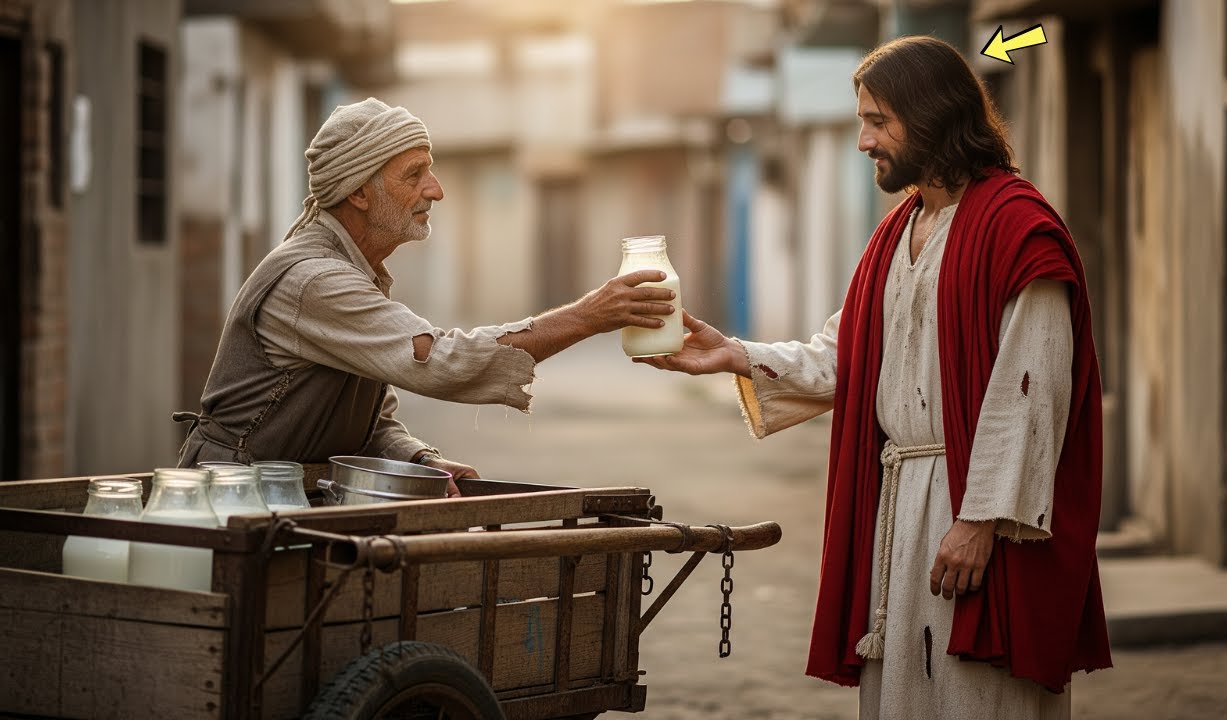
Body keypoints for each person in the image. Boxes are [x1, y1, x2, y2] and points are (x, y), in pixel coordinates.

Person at [637, 36, 1110, 718]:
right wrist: (735, 354)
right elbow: (847, 357)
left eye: (878, 121)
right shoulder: (897, 234)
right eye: (863, 121)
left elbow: (1031, 394)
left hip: (979, 506)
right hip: (901, 506)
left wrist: (979, 521)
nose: (864, 141)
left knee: (979, 695)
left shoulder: (1016, 228)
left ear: (932, 115)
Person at [174, 98, 676, 497]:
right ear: (359, 192)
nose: (435, 190)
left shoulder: (356, 270)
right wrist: (586, 316)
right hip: (233, 500)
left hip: (289, 495)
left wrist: (419, 459)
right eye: (413, 175)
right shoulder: (315, 279)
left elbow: (371, 422)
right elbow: (440, 360)